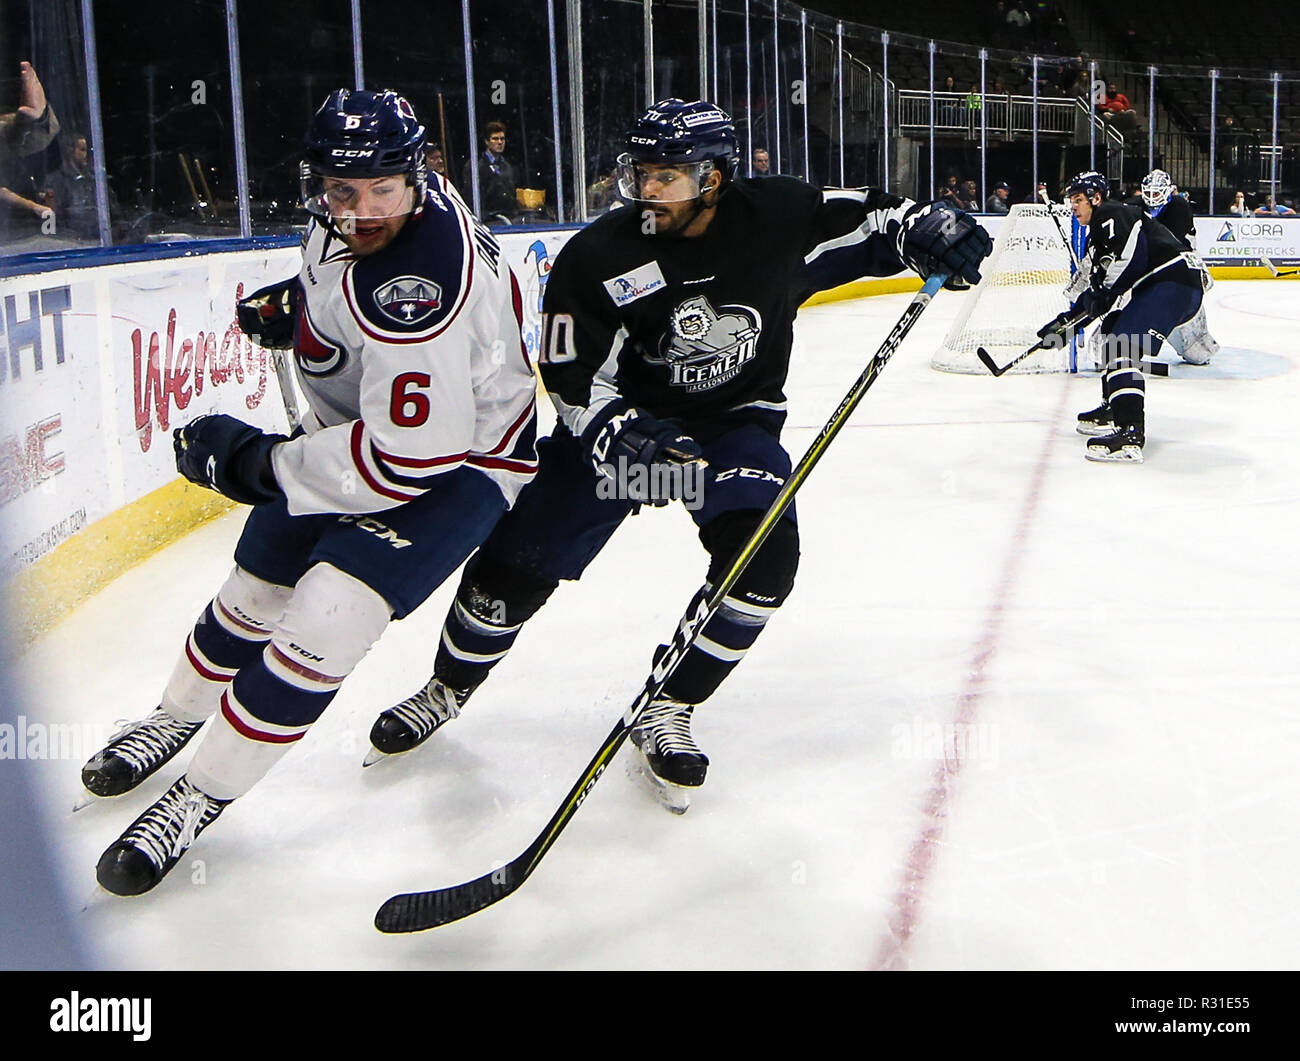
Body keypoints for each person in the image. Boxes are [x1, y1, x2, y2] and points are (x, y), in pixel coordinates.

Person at [364, 98, 990, 807]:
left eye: (668, 177)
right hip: (626, 435)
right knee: (514, 567)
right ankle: (447, 687)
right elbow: (569, 376)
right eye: (640, 174)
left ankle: (670, 702)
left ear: (717, 177)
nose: (647, 192)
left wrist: (933, 228)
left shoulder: (776, 216)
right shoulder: (600, 256)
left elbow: (878, 219)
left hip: (734, 424)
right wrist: (615, 431)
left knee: (763, 561)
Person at [81, 88, 539, 896]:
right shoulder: (370, 209)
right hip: (368, 438)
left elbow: (407, 463)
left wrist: (256, 464)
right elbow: (342, 297)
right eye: (340, 191)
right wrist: (299, 313)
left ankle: (198, 796)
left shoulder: (422, 289)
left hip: (461, 461)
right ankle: (176, 717)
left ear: (419, 175)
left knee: (329, 611)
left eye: (380, 190)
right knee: (254, 586)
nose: (361, 212)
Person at [1042, 171, 1209, 463]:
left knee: (1123, 344)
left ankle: (1130, 435)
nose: (1074, 207)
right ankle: (1115, 406)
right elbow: (1098, 292)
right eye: (1072, 201)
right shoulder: (1099, 236)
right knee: (1111, 331)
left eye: (1079, 200)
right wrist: (1065, 325)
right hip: (1162, 283)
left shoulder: (1111, 213)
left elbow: (1129, 259)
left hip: (1174, 280)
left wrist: (1102, 294)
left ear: (1096, 198)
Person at [1137, 168, 1218, 364]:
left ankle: (1195, 343)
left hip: (1182, 269)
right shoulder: (1137, 206)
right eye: (1148, 193)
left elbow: (1170, 246)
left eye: (1156, 193)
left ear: (1167, 192)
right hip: (1152, 270)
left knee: (1198, 353)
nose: (1151, 198)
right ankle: (1115, 342)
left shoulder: (1179, 207)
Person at [462, 120, 517, 222]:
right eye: (495, 139)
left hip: (508, 220)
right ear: (487, 141)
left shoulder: (507, 166)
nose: (500, 142)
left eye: (502, 139)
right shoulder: (475, 166)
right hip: (486, 221)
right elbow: (470, 197)